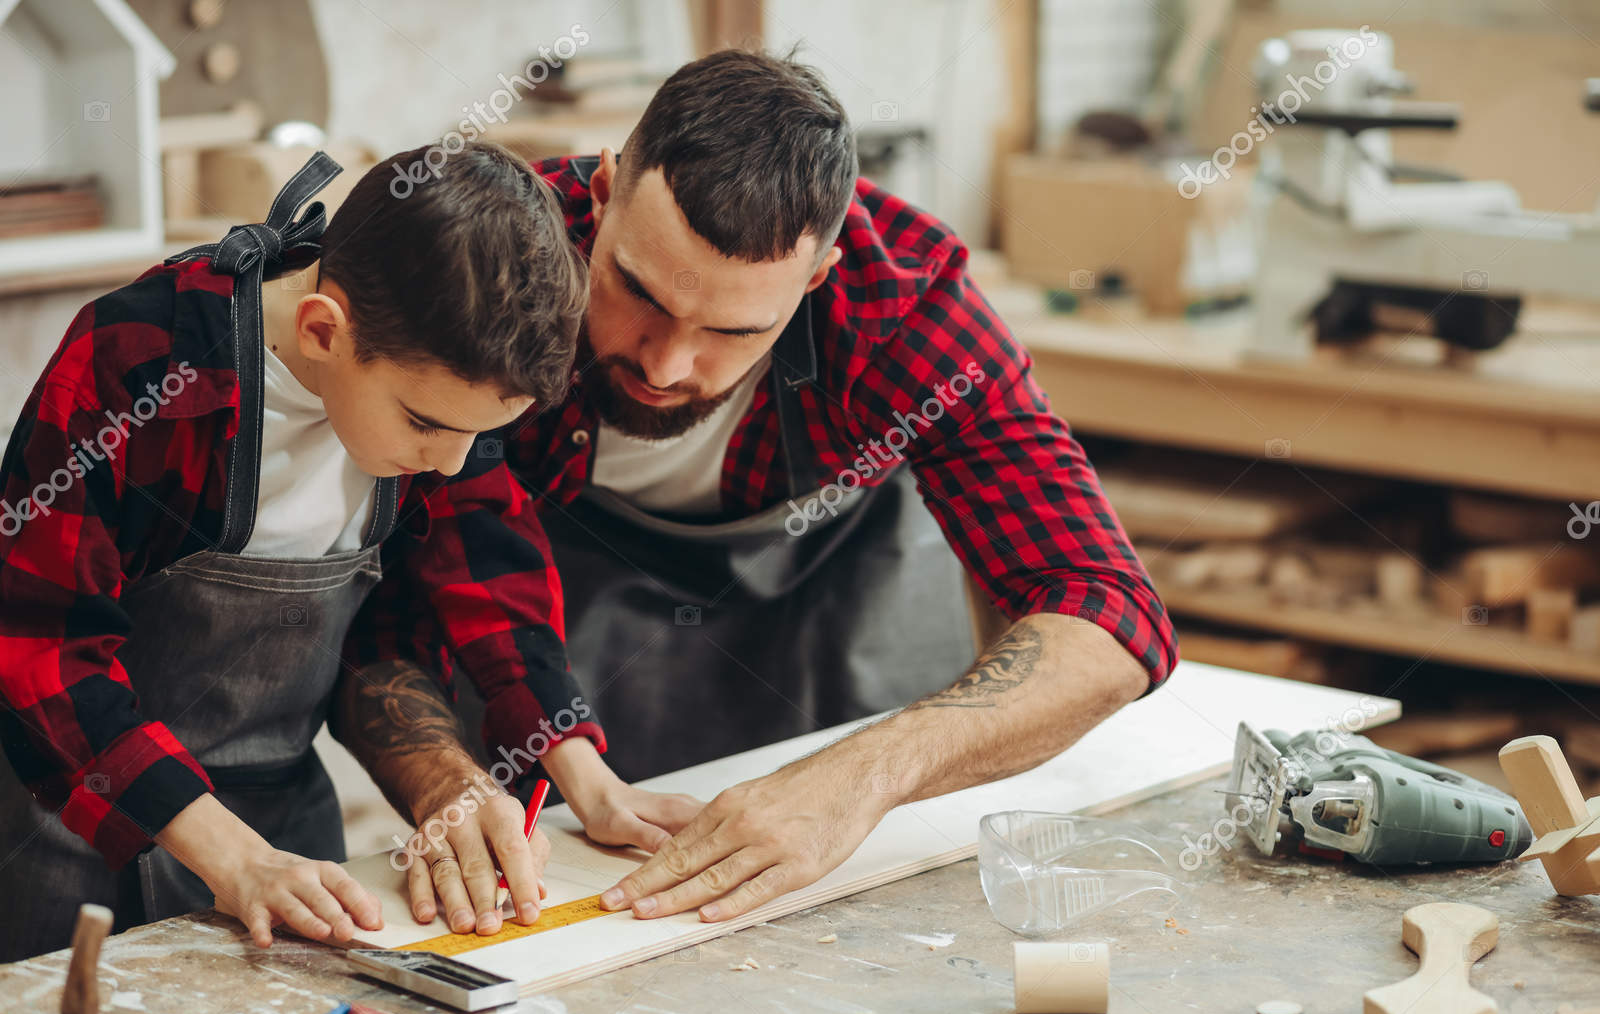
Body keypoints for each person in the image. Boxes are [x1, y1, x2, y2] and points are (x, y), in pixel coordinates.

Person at [339, 50, 1176, 933]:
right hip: (552, 751)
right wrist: (445, 785)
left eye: (732, 329)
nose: (665, 364)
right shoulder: (484, 269)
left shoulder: (899, 310)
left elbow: (1111, 613)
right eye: (637, 290)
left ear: (815, 278)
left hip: (822, 713)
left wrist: (855, 781)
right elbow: (370, 603)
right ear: (603, 194)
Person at [0, 142, 590, 961]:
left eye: (480, 434)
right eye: (427, 425)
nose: (454, 464)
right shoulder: (138, 363)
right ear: (322, 329)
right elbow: (40, 650)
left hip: (285, 834)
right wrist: (232, 858)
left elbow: (424, 615)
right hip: (65, 841)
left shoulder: (440, 402)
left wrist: (491, 773)